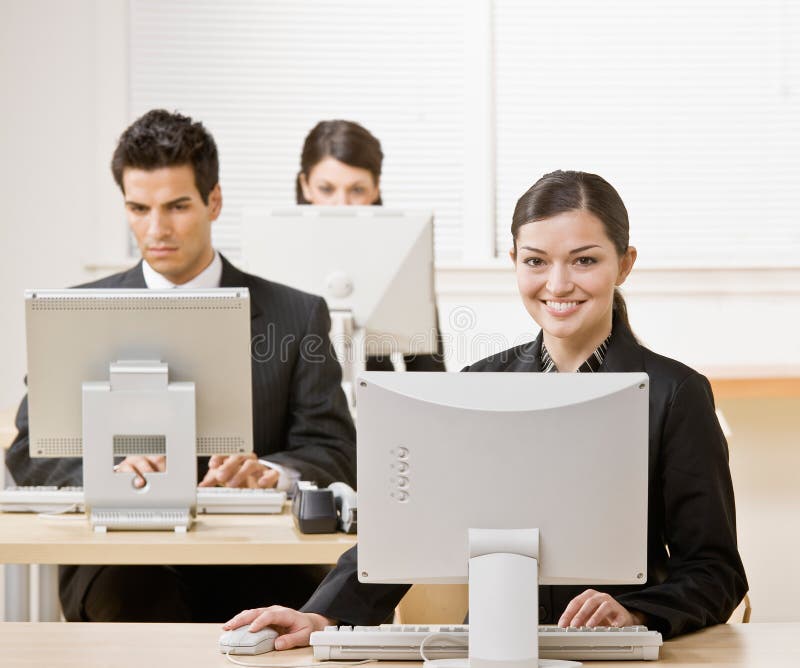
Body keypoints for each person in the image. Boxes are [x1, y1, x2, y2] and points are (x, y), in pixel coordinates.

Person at [223, 170, 748, 646]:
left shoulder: (675, 393)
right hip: (492, 648)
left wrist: (636, 612)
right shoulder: (477, 385)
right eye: (536, 262)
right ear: (515, 263)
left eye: (584, 260)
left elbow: (716, 572)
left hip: (611, 652)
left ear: (624, 264)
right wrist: (324, 616)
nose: (558, 284)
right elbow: (401, 533)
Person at [5, 109, 357, 622]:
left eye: (176, 206)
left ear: (214, 201)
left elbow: (334, 450)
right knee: (139, 600)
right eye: (138, 207)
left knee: (284, 614)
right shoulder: (72, 312)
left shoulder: (295, 315)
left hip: (254, 554)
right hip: (122, 559)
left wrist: (273, 473)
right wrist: (106, 472)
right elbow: (30, 451)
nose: (156, 228)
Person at [296, 119, 445, 372]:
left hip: (377, 400)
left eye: (357, 190)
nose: (342, 205)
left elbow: (429, 373)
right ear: (305, 186)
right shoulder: (277, 257)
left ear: (375, 189)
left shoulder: (402, 260)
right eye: (326, 189)